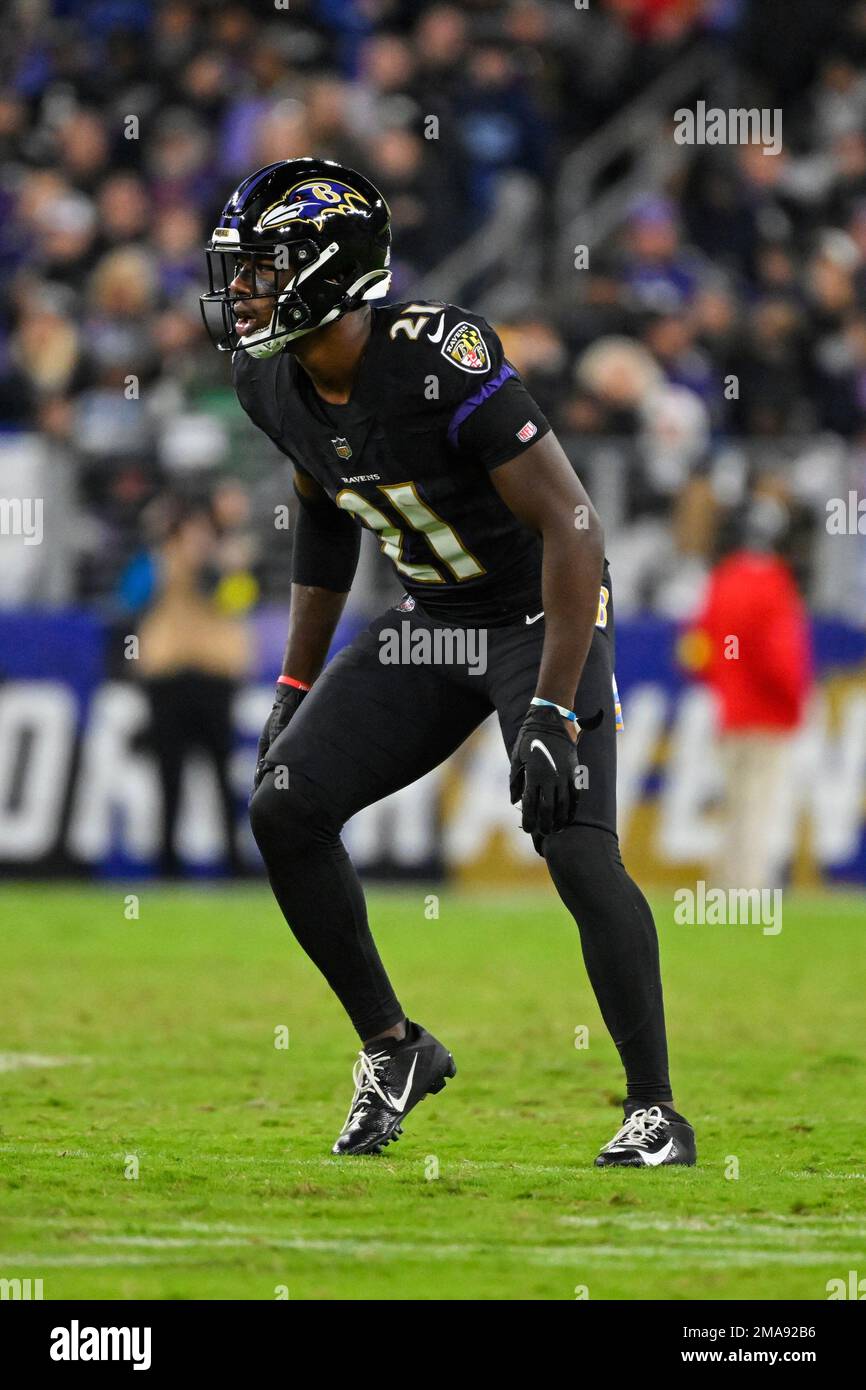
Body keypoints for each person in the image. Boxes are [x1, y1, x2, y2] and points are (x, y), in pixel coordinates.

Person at [201, 156, 695, 1167]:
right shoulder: (269, 379)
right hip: (433, 620)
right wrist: (294, 684)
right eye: (241, 265)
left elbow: (571, 523)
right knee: (285, 802)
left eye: (266, 264)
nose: (243, 286)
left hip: (536, 614)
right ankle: (395, 1047)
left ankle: (654, 1111)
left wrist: (553, 709)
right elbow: (322, 521)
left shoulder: (439, 358)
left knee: (570, 839)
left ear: (332, 271)